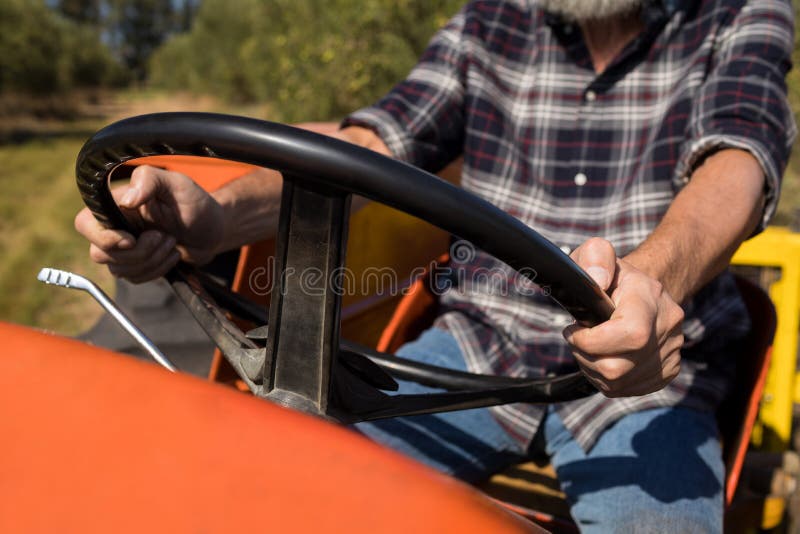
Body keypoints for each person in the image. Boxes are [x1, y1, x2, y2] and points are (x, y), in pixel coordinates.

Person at [75, 0, 795, 531]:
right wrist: (218, 216)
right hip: (477, 353)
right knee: (273, 490)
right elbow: (375, 145)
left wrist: (654, 283)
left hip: (648, 374)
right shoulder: (490, 22)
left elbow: (737, 156)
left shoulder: (738, 13)